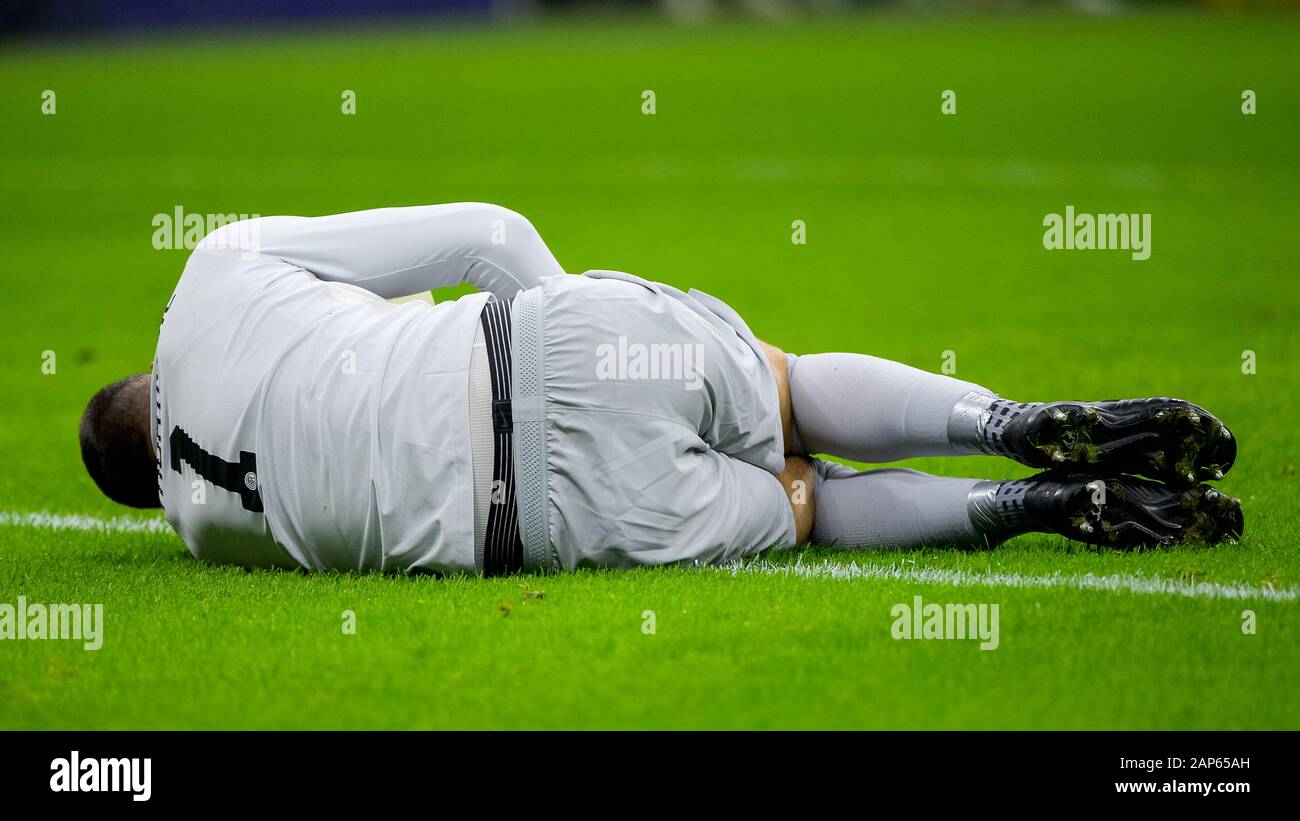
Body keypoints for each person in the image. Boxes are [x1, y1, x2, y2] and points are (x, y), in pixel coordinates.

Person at [78, 203, 1242, 575]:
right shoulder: (217, 269)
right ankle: (1008, 422)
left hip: (548, 520)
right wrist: (561, 335)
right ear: (148, 369)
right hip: (556, 345)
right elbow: (487, 234)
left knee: (808, 505)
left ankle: (1026, 511)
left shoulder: (202, 531)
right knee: (781, 390)